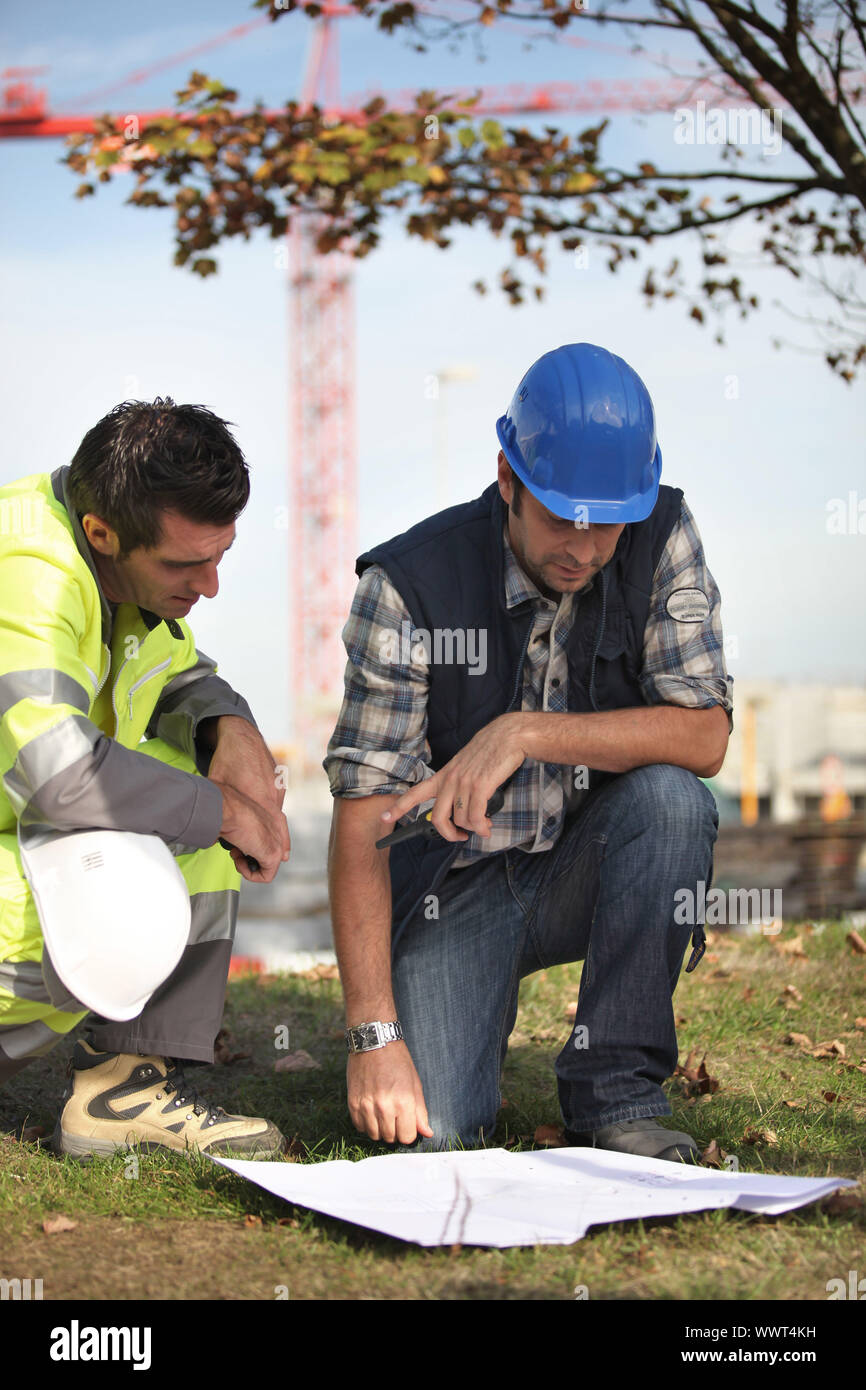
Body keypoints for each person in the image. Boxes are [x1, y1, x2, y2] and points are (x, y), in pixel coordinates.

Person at [324, 342, 733, 1162]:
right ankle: (441, 1018)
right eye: (559, 521)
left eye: (606, 524)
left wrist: (521, 732)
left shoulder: (660, 532)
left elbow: (704, 734)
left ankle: (616, 1095)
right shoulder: (406, 588)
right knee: (431, 1137)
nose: (585, 549)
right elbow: (363, 819)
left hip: (586, 861)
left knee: (673, 802)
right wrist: (373, 1035)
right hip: (454, 890)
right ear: (508, 480)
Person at [0, 399, 291, 1159]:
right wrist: (225, 810)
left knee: (186, 798)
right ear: (102, 534)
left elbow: (177, 670)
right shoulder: (28, 570)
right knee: (194, 818)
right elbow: (55, 773)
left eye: (220, 555)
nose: (212, 585)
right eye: (184, 565)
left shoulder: (121, 578)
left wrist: (231, 729)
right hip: (29, 818)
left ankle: (123, 1093)